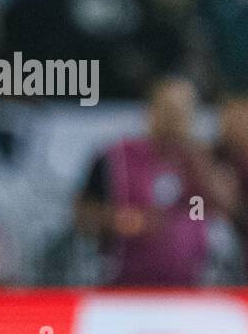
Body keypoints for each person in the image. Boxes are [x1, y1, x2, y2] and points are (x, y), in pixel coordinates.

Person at [76, 76, 230, 285]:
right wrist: (115, 220)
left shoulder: (201, 159)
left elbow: (227, 208)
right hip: (124, 286)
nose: (174, 118)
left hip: (192, 292)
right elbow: (82, 214)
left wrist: (200, 166)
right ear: (150, 111)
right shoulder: (115, 157)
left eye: (182, 110)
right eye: (168, 109)